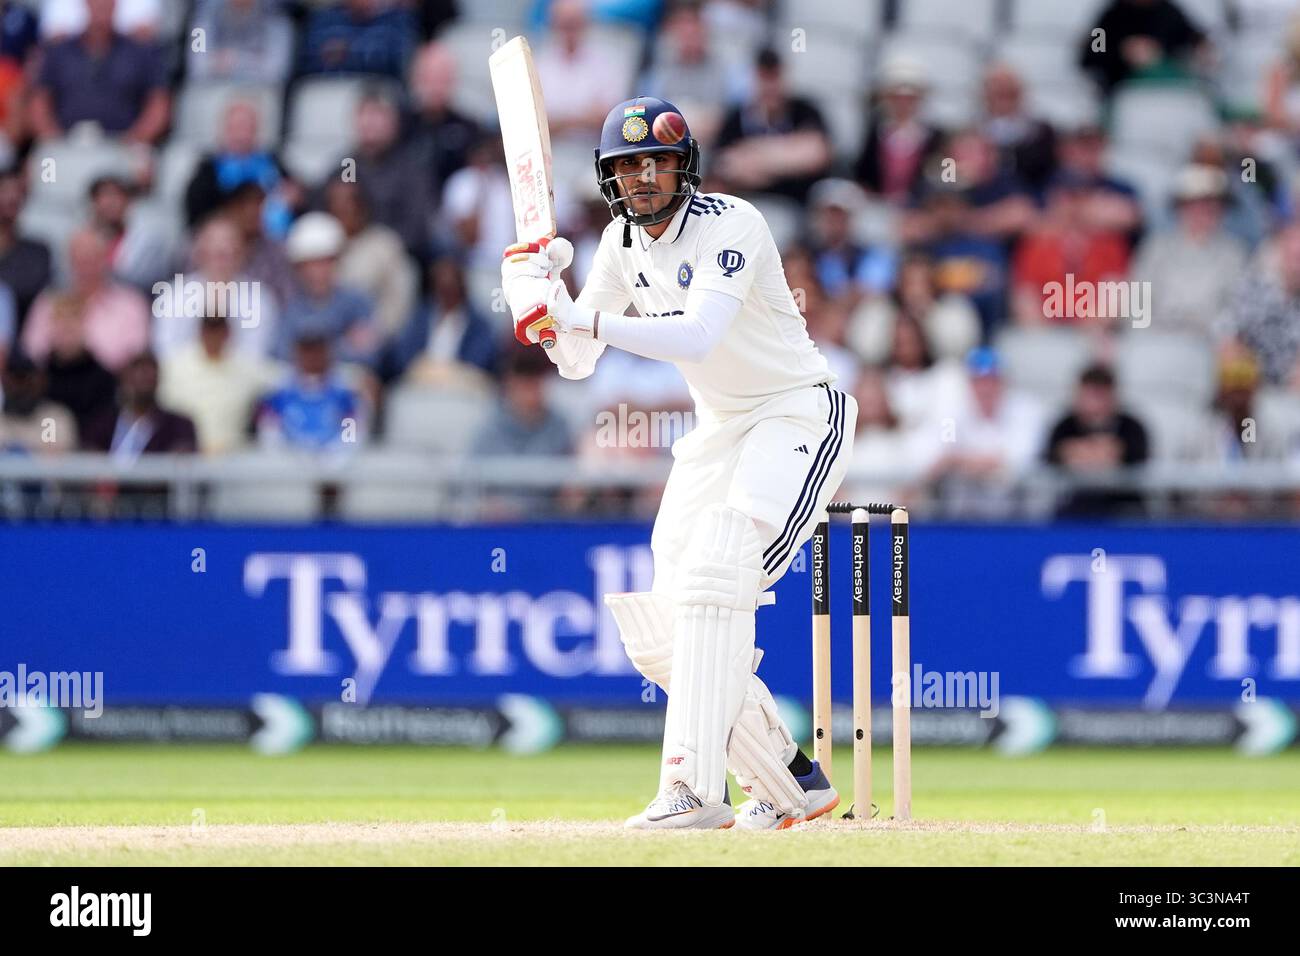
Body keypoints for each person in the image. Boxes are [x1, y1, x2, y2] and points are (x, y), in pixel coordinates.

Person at [500, 96, 859, 830]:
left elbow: (696, 337)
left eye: (655, 161)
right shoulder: (619, 247)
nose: (642, 178)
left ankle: (692, 794)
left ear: (684, 165)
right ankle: (794, 783)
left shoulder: (735, 223)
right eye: (626, 166)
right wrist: (539, 303)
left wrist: (579, 315)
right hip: (720, 431)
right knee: (666, 627)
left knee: (719, 571)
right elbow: (575, 360)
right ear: (610, 178)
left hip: (795, 412)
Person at [28, 0, 170, 143]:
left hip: (125, 145)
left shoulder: (141, 52)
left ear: (115, 4)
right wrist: (53, 138)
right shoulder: (58, 52)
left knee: (143, 163)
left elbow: (158, 104)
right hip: (66, 143)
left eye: (107, 3)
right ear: (86, 4)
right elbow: (39, 102)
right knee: (43, 163)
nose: (102, 7)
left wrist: (137, 138)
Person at [712, 48, 831, 203]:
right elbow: (727, 166)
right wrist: (790, 152)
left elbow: (816, 155)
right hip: (747, 204)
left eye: (774, 77)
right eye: (764, 78)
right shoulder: (735, 118)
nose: (769, 87)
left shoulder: (805, 111)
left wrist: (752, 152)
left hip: (798, 205)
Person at [1044, 364, 1150, 517]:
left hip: (1122, 507)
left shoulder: (1132, 426)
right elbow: (1054, 456)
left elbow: (1134, 457)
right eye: (1088, 395)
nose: (1094, 404)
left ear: (1112, 397)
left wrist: (1082, 453)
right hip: (1074, 507)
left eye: (1099, 396)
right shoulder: (1064, 425)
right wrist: (1101, 452)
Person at [81, 351, 198, 459]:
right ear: (124, 379)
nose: (144, 376)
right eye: (137, 370)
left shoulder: (179, 427)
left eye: (149, 372)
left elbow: (181, 462)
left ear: (158, 380)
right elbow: (89, 458)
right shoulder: (101, 424)